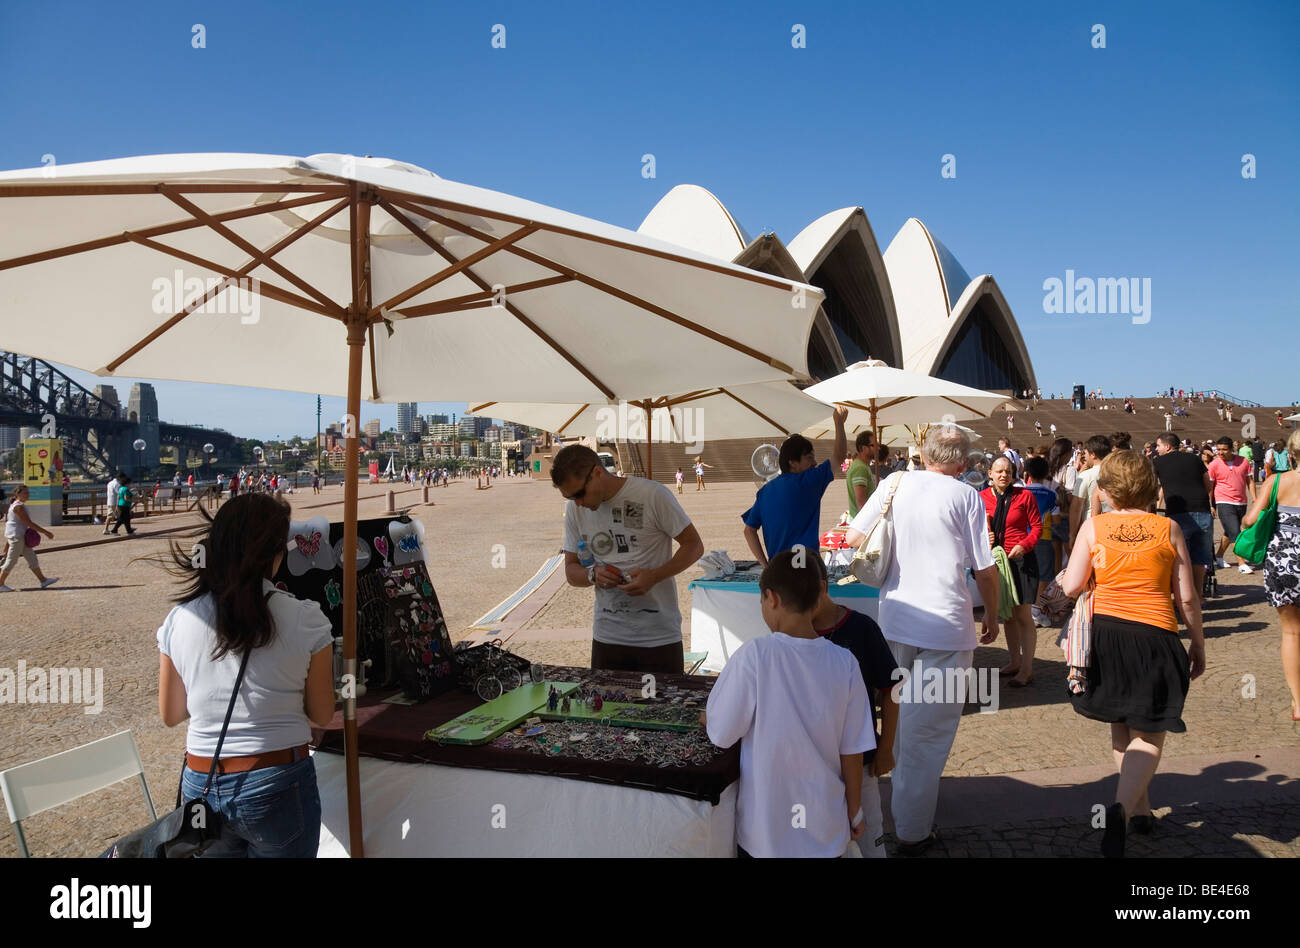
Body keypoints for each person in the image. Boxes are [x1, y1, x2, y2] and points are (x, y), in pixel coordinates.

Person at [845, 424, 1000, 855]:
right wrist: (990, 611)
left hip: (894, 621)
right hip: (946, 628)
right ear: (964, 463)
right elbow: (984, 568)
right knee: (925, 734)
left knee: (893, 724)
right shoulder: (966, 496)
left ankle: (874, 815)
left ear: (924, 452)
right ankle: (911, 830)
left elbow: (855, 538)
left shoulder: (893, 482)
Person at [157, 493, 334, 857]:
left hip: (201, 782)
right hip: (276, 781)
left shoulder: (180, 619)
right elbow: (321, 713)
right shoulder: (307, 618)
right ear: (274, 555)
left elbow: (171, 713)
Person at [1062, 451, 1205, 856]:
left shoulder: (1094, 526)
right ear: (1151, 487)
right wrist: (1197, 642)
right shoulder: (1168, 528)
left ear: (1105, 491)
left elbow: (1072, 586)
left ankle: (1140, 811)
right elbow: (1188, 598)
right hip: (1155, 634)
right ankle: (1124, 809)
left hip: (1105, 635)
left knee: (1122, 723)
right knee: (1152, 729)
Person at [703, 551, 874, 857]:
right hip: (826, 829)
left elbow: (722, 733)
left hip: (766, 835)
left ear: (771, 598)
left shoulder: (755, 655)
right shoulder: (845, 662)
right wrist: (855, 809)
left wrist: (708, 718)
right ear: (819, 598)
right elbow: (853, 749)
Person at [553, 444, 703, 673]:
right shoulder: (575, 510)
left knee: (662, 708)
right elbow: (571, 571)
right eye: (570, 497)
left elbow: (694, 545)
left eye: (579, 494)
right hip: (607, 638)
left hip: (659, 638)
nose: (578, 503)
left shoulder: (652, 495)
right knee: (606, 709)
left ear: (597, 472)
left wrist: (654, 576)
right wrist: (593, 575)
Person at [809, 555, 899, 857]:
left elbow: (892, 689)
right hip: (814, 765)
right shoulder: (792, 635)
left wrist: (886, 748)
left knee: (868, 830)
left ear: (822, 587)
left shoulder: (862, 629)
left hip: (862, 762)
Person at [742, 408, 848, 566]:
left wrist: (765, 565)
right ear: (792, 462)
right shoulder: (808, 481)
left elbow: (749, 530)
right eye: (809, 457)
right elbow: (839, 456)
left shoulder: (765, 491)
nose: (814, 463)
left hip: (778, 570)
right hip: (807, 567)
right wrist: (838, 422)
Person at [1243, 430, 1300, 720]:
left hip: (1285, 561)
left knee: (1291, 632)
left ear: (1291, 454)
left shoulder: (1277, 481)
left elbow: (1250, 519)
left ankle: (1298, 701)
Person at [982, 456, 1042, 686]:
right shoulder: (981, 498)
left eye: (1007, 471)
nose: (1003, 475)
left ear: (1014, 473)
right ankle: (1014, 661)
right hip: (996, 561)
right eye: (998, 471)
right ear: (990, 473)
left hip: (1021, 560)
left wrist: (1024, 545)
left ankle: (1026, 670)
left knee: (1023, 615)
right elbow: (974, 528)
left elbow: (1037, 527)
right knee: (1008, 614)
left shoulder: (1024, 496)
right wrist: (983, 537)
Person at [1152, 432, 1214, 597]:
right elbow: (1208, 484)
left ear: (1168, 446)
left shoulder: (1158, 462)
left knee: (1179, 557)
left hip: (1178, 512)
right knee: (1199, 558)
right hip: (1202, 509)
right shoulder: (1194, 458)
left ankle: (1183, 596)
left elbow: (1151, 487)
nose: (1157, 449)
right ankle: (1199, 596)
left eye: (1158, 446)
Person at [1208, 436, 1257, 573]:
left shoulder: (1244, 462)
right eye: (1218, 449)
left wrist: (1255, 498)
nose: (1220, 452)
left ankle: (1218, 556)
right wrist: (1211, 505)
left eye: (1224, 450)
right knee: (1235, 532)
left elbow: (1250, 481)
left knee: (1229, 532)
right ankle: (1241, 563)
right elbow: (1210, 487)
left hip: (1241, 501)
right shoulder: (1214, 464)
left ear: (1232, 449)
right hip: (1224, 501)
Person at [0, 485, 58, 592]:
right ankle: (0, 584)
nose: (28, 495)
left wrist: (7, 544)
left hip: (19, 536)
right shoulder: (18, 506)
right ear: (17, 494)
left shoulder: (16, 505)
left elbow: (12, 524)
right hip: (18, 536)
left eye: (28, 492)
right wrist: (46, 532)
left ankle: (43, 580)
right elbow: (28, 523)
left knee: (32, 558)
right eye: (25, 493)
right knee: (11, 560)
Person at [1023, 455, 1060, 602]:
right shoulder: (1051, 494)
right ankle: (1036, 608)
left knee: (1026, 574)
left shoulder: (1021, 493)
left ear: (1028, 473)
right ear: (1046, 474)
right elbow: (1056, 520)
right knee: (1044, 575)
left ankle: (1027, 606)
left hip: (1023, 539)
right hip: (1043, 538)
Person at [1070, 435, 1112, 545]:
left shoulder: (1086, 475)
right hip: (1113, 523)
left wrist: (1072, 534)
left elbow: (1076, 507)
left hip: (1091, 525)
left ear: (1093, 455)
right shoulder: (1117, 472)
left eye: (1086, 453)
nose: (1085, 457)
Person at [1048, 438, 1077, 572]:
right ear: (1066, 453)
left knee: (1056, 559)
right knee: (1072, 556)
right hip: (1064, 516)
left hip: (1050, 516)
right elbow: (1070, 495)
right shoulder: (1069, 470)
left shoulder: (1048, 469)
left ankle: (1056, 588)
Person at [845, 430, 877, 519]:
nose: (878, 448)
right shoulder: (860, 468)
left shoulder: (863, 466)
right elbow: (861, 503)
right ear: (863, 448)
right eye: (873, 445)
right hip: (862, 523)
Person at [102, 470, 121, 535]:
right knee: (114, 516)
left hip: (109, 501)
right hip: (115, 502)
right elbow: (119, 493)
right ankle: (112, 530)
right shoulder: (117, 484)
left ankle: (107, 529)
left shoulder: (109, 483)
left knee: (111, 516)